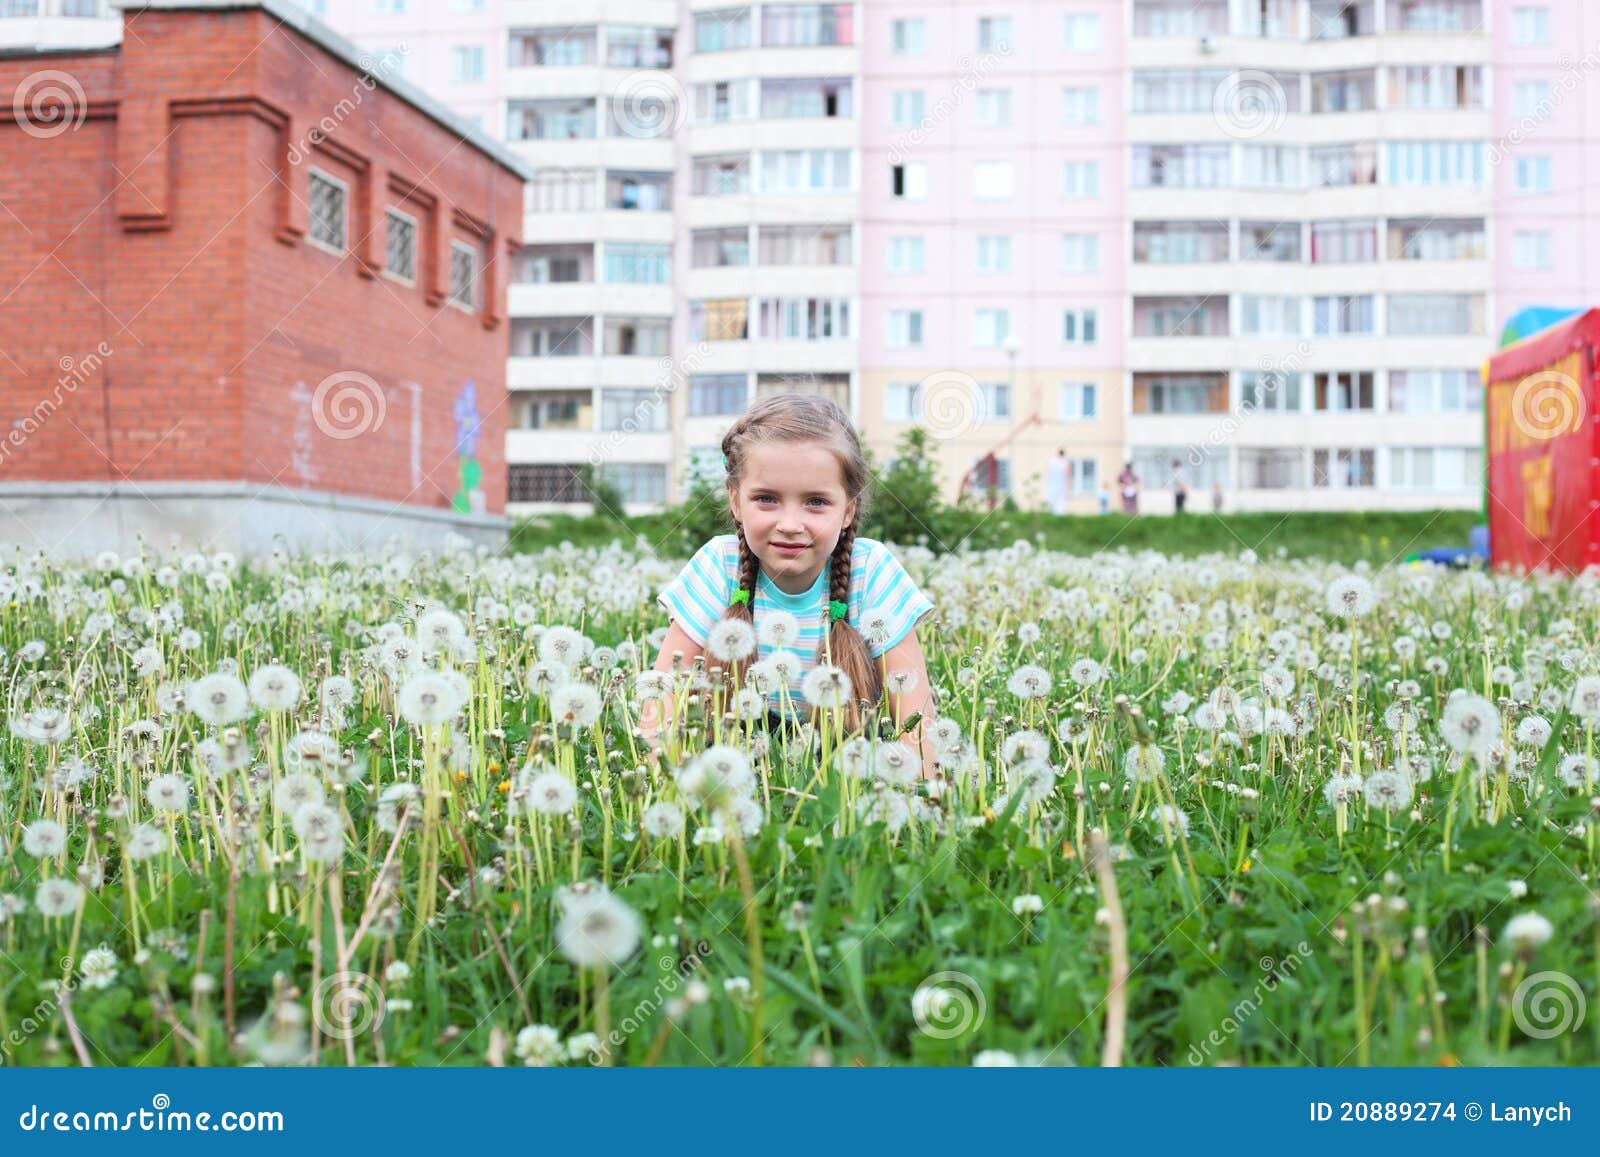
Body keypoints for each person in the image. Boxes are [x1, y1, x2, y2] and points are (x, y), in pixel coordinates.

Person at [642, 393, 938, 776]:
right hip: (737, 755)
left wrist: (925, 798)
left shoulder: (872, 572)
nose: (790, 523)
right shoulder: (719, 565)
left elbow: (915, 719)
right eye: (767, 499)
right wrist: (656, 784)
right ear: (735, 500)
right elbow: (664, 699)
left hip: (846, 766)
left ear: (848, 510)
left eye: (815, 502)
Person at [1045, 448, 1070, 516]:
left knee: (1052, 502)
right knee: (1060, 504)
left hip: (1052, 485)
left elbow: (1048, 473)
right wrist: (1068, 487)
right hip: (1060, 485)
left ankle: (1053, 516)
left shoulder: (1052, 461)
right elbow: (1067, 475)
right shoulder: (1065, 462)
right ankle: (1058, 517)